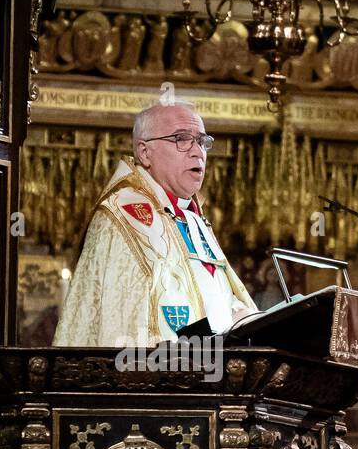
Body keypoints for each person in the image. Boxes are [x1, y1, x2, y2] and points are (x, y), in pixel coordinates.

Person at [53, 100, 257, 347]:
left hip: (212, 370)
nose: (197, 151)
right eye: (181, 139)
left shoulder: (191, 216)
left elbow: (213, 296)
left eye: (202, 141)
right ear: (144, 153)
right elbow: (123, 323)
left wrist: (243, 320)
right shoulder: (122, 216)